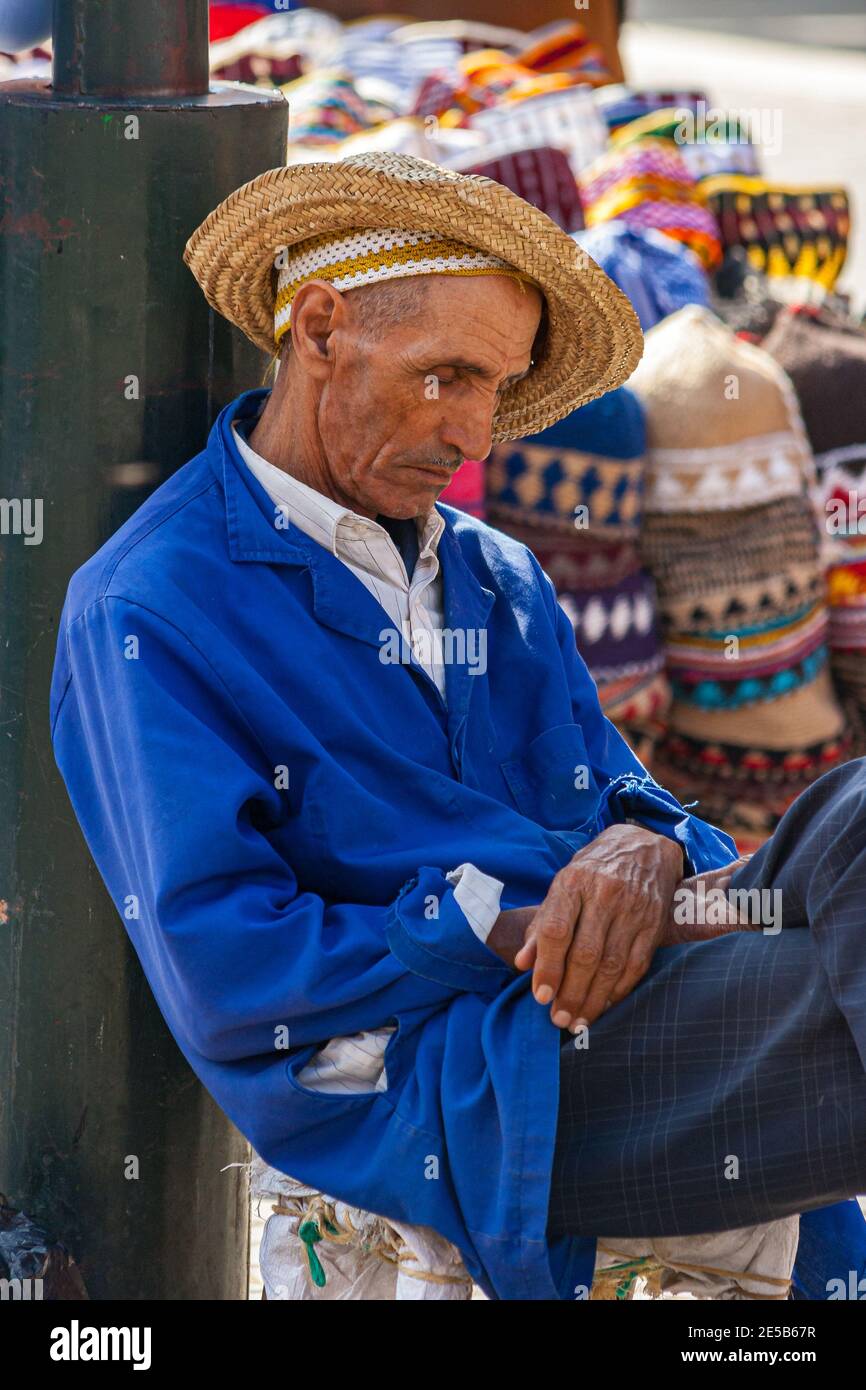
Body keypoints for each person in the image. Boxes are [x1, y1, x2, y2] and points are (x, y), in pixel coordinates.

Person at [49, 152, 866, 1300]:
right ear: (320, 327)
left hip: (622, 985)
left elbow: (620, 798)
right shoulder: (149, 607)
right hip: (467, 1075)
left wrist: (645, 849)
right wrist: (514, 925)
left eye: (499, 388)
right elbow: (231, 970)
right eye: (449, 378)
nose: (479, 435)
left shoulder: (494, 574)